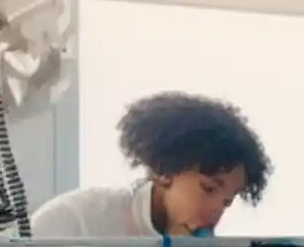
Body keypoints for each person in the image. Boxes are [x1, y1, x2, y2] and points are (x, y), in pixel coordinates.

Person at [31, 91, 271, 238]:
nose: (215, 212)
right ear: (163, 169)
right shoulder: (74, 221)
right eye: (208, 189)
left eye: (227, 202)